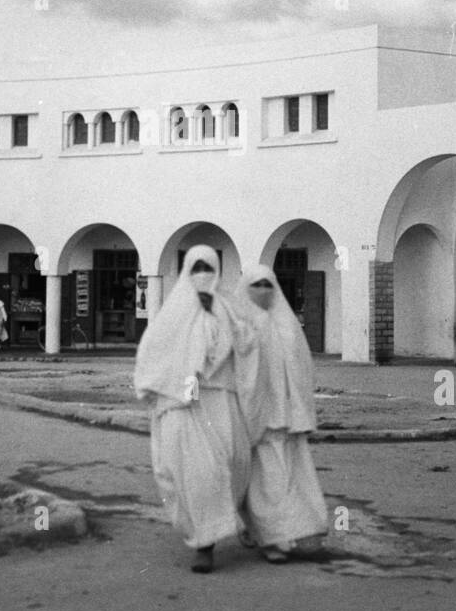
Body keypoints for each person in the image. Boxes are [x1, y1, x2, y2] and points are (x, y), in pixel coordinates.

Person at [133, 246, 256, 574]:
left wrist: (220, 312)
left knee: (236, 463)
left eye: (208, 267)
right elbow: (152, 350)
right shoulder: (173, 310)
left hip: (221, 400)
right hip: (184, 403)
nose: (203, 273)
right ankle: (205, 544)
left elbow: (245, 344)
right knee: (197, 474)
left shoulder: (227, 306)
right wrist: (153, 386)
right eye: (196, 267)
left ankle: (237, 521)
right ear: (187, 269)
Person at [232, 264, 328, 564]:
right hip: (256, 415)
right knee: (267, 480)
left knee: (289, 477)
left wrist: (300, 408)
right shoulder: (239, 325)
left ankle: (290, 531)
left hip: (287, 414)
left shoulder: (285, 323)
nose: (263, 291)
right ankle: (271, 536)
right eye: (256, 285)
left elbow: (302, 367)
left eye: (268, 284)